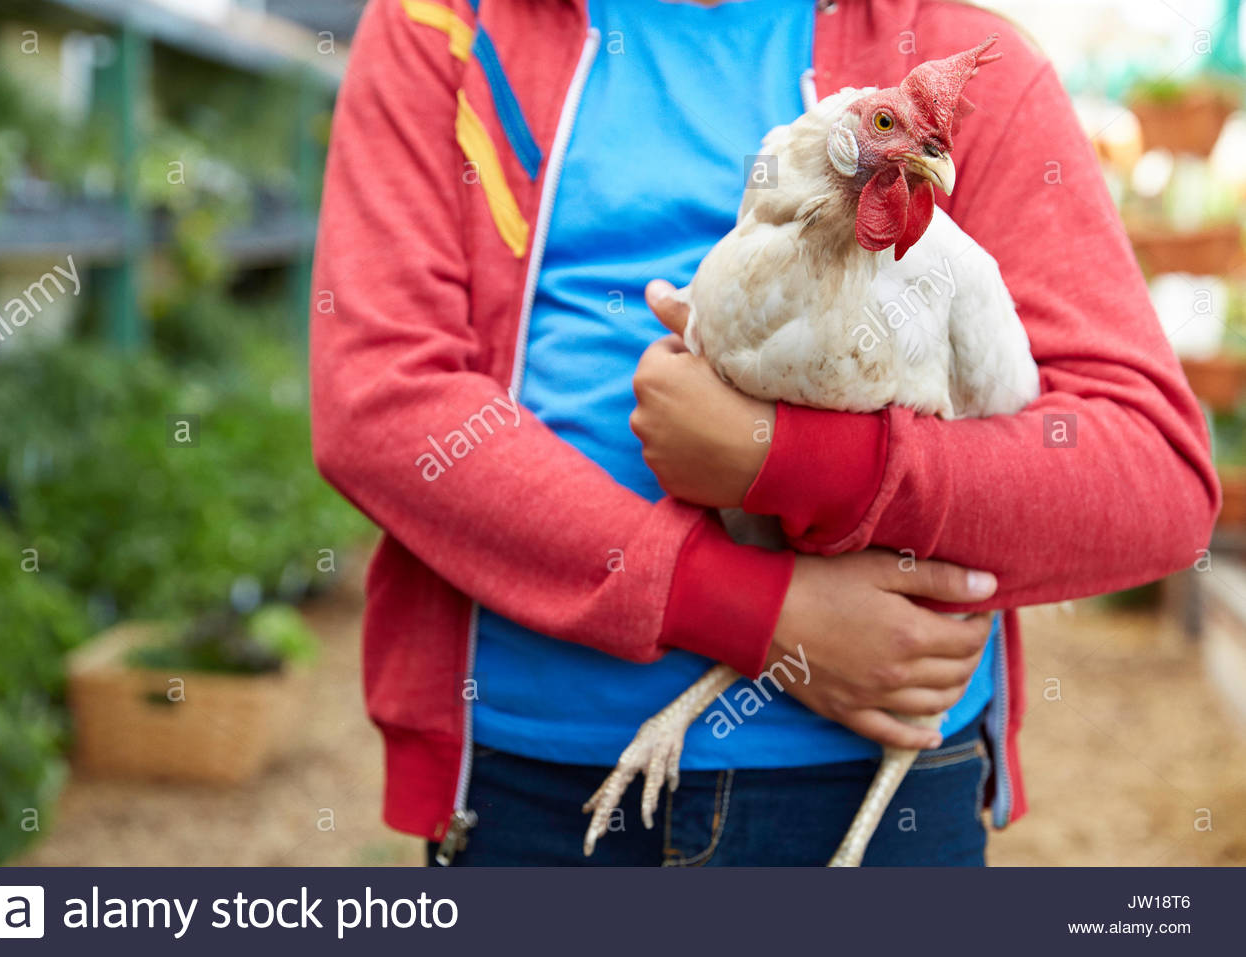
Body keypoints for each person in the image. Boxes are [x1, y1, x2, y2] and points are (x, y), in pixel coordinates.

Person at [310, 0, 1219, 866]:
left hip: (873, 762)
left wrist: (783, 460)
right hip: (533, 769)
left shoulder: (963, 57)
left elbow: (1155, 476)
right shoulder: (446, 29)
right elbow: (381, 400)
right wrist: (745, 606)